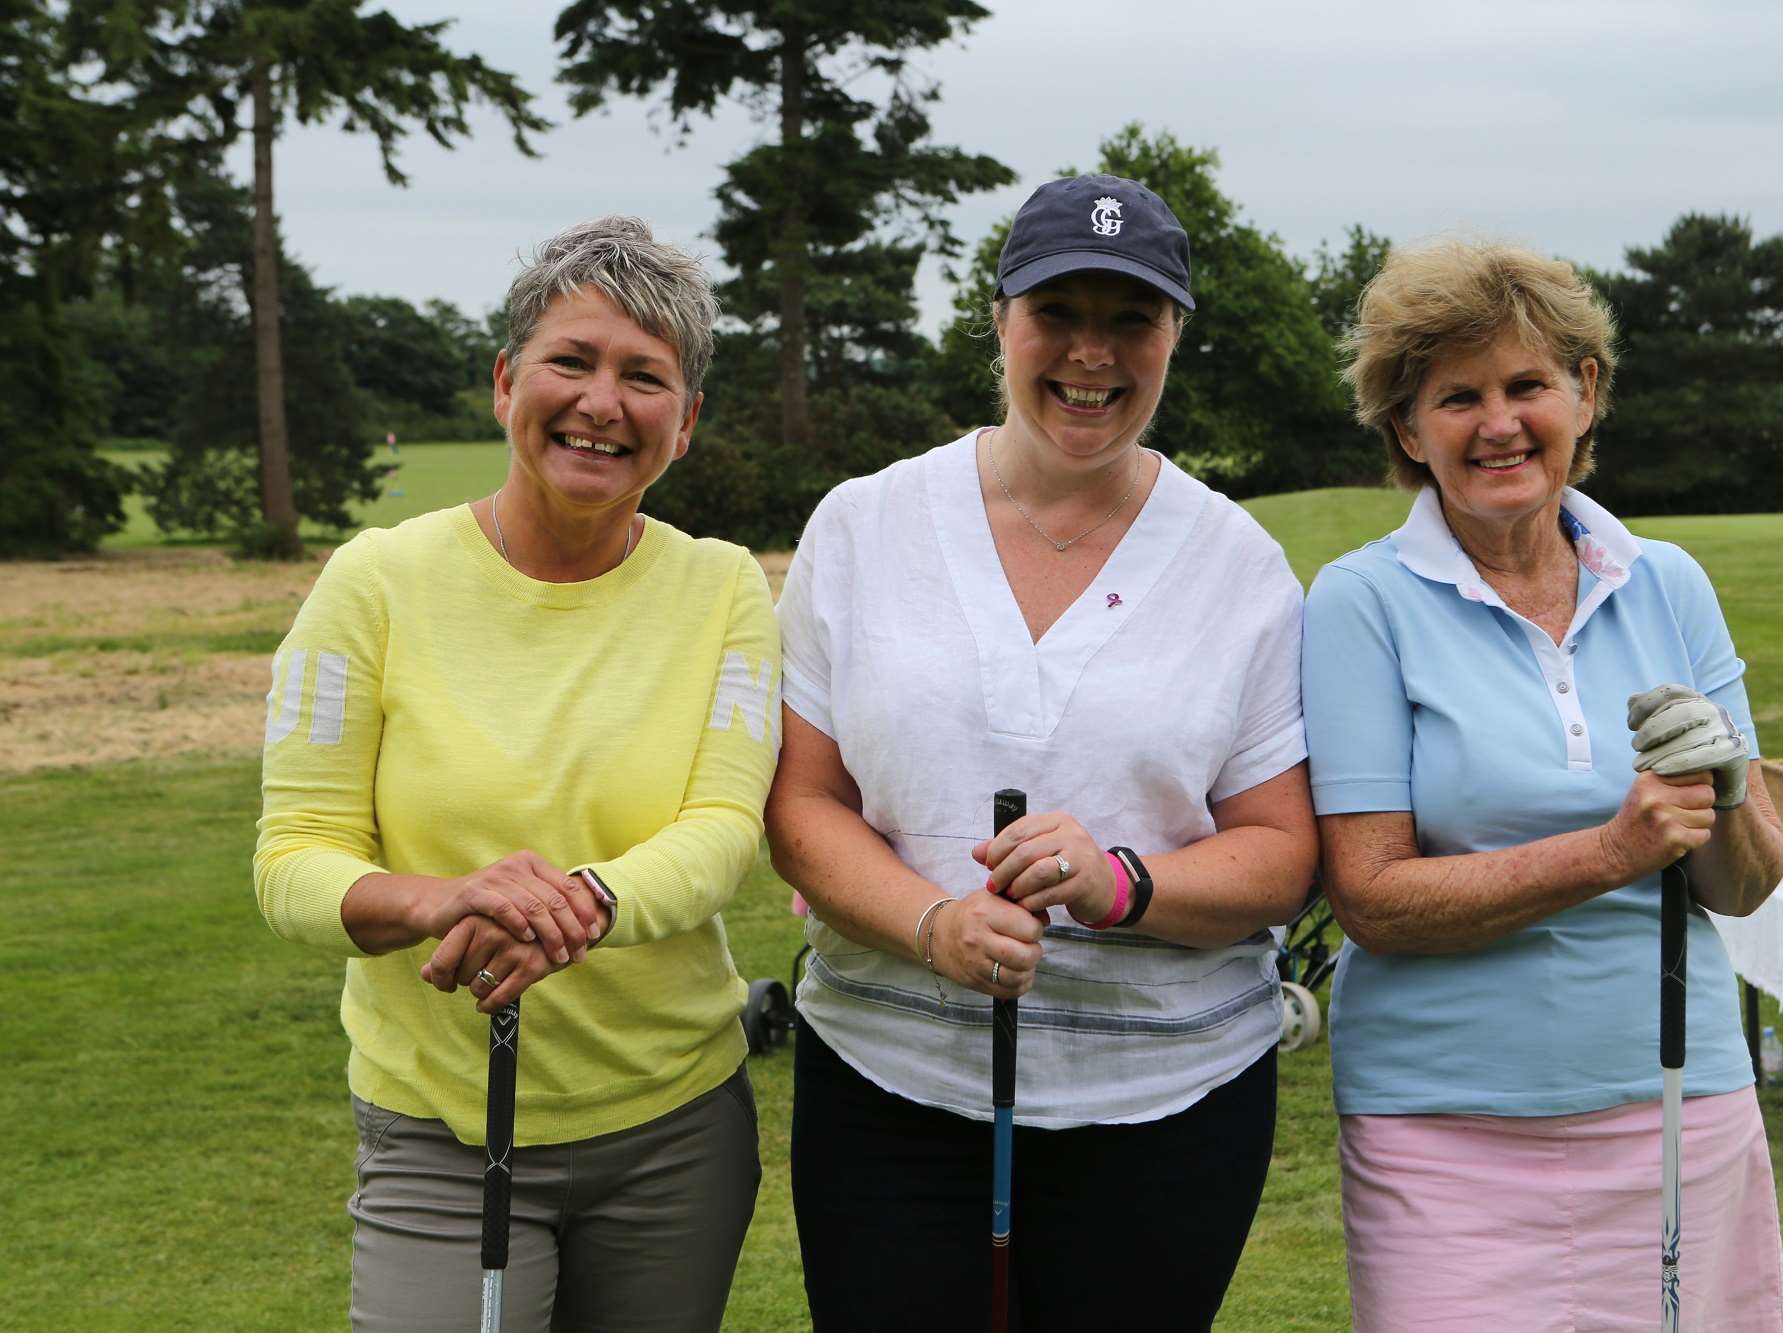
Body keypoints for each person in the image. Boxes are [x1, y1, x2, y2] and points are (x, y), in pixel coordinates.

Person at [765, 174, 1317, 1332]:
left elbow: (1280, 853)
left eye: (1131, 320)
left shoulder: (1239, 565)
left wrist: (1123, 884)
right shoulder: (863, 524)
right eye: (1055, 312)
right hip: (885, 1090)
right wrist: (933, 923)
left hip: (1169, 1106)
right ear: (1000, 321)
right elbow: (804, 806)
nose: (1090, 353)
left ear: (1173, 336)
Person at [253, 217, 779, 1332]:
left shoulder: (725, 587)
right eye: (570, 360)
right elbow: (293, 860)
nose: (602, 402)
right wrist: (445, 900)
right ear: (505, 383)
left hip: (675, 1128)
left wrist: (582, 903)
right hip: (441, 1126)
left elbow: (724, 827)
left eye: (645, 377)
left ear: (685, 423)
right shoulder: (371, 583)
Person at [1302, 239, 1783, 1330]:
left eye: (1526, 385)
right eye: (1456, 397)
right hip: (1440, 1131)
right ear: (1406, 429)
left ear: (1584, 392)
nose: (1499, 424)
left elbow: (1745, 881)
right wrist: (1613, 850)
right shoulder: (1360, 603)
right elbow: (1372, 897)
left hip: (1679, 1105)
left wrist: (1721, 785)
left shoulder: (1668, 583)